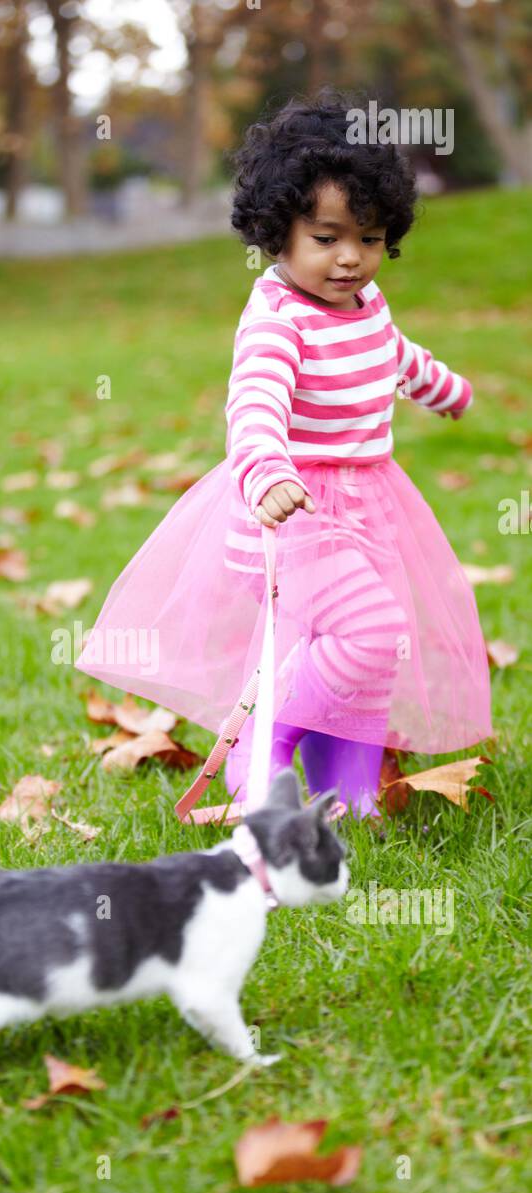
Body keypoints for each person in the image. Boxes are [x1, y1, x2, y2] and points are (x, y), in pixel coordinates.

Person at [76, 92, 492, 817]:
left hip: (367, 508)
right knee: (370, 630)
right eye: (326, 237)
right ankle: (259, 734)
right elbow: (255, 407)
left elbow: (389, 354)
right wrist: (267, 472)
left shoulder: (366, 303)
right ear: (278, 231)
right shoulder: (276, 319)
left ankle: (345, 790)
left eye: (367, 238)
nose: (349, 258)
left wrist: (443, 387)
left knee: (366, 659)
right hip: (288, 513)